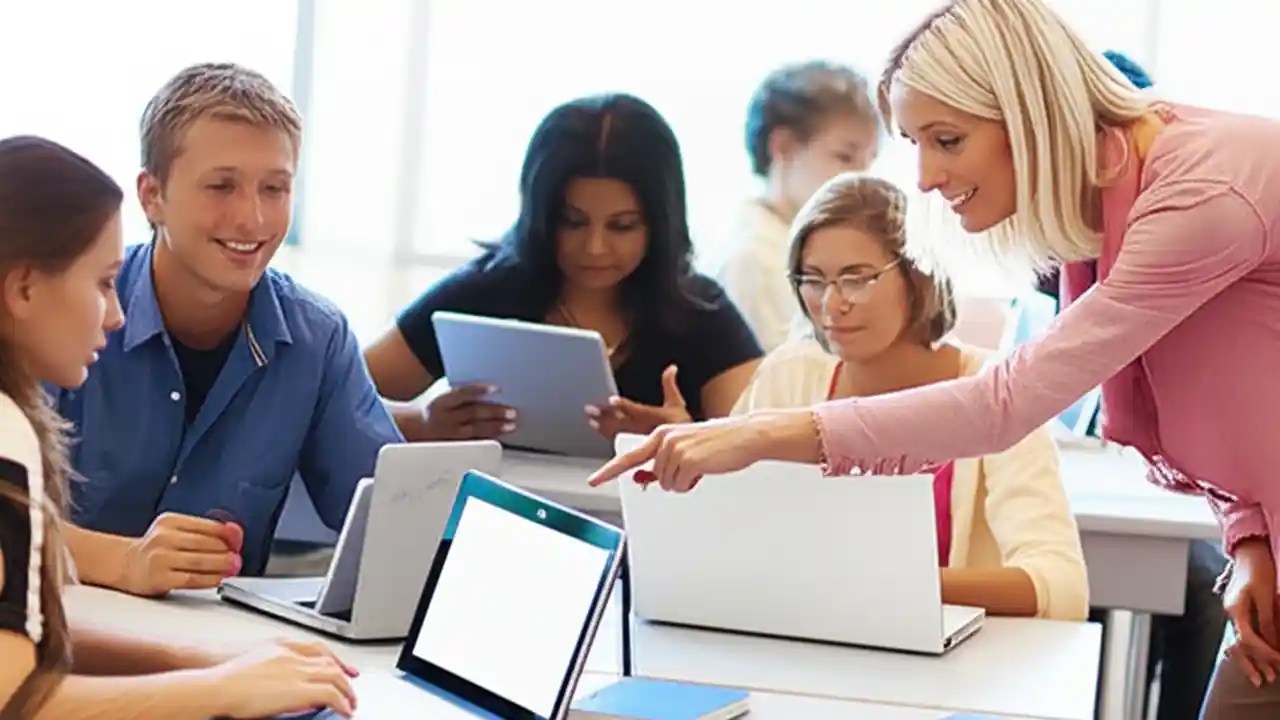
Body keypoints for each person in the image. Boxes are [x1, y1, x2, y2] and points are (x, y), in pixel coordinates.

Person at [587, 1, 1280, 715]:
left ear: (1030, 112)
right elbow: (1252, 393)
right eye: (914, 142)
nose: (923, 177)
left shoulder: (1203, 193)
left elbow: (1003, 404)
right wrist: (1250, 536)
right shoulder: (1115, 189)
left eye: (947, 139)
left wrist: (756, 433)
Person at [0, 135, 358, 719]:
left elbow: (23, 643)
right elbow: (16, 703)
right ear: (23, 289)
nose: (115, 314)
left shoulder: (318, 332)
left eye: (275, 187)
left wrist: (214, 659)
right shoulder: (6, 429)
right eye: (101, 283)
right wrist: (221, 689)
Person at [52, 63, 402, 596]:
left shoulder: (318, 338)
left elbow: (392, 520)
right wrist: (126, 561)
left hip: (223, 648)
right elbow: (10, 524)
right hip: (61, 627)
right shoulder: (67, 307)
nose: (253, 219)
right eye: (222, 186)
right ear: (152, 196)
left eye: (275, 188)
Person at [734, 173, 1087, 620]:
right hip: (809, 638)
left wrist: (892, 584)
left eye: (856, 279)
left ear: (918, 277)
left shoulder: (999, 392)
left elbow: (1061, 587)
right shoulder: (789, 376)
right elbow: (736, 531)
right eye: (814, 280)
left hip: (951, 665)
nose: (831, 305)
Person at [365, 93, 762, 443]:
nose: (594, 247)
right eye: (571, 221)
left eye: (622, 226)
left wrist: (687, 438)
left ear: (662, 224)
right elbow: (328, 395)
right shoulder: (486, 290)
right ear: (538, 215)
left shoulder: (700, 311)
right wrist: (419, 423)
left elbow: (762, 445)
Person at [1031, 47, 1226, 720]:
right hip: (1070, 490)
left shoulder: (1189, 231)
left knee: (1199, 582)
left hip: (1170, 498)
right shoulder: (1048, 244)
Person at [711, 60, 882, 352]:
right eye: (844, 157)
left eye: (869, 161)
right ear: (783, 147)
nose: (860, 179)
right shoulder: (753, 260)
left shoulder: (804, 245)